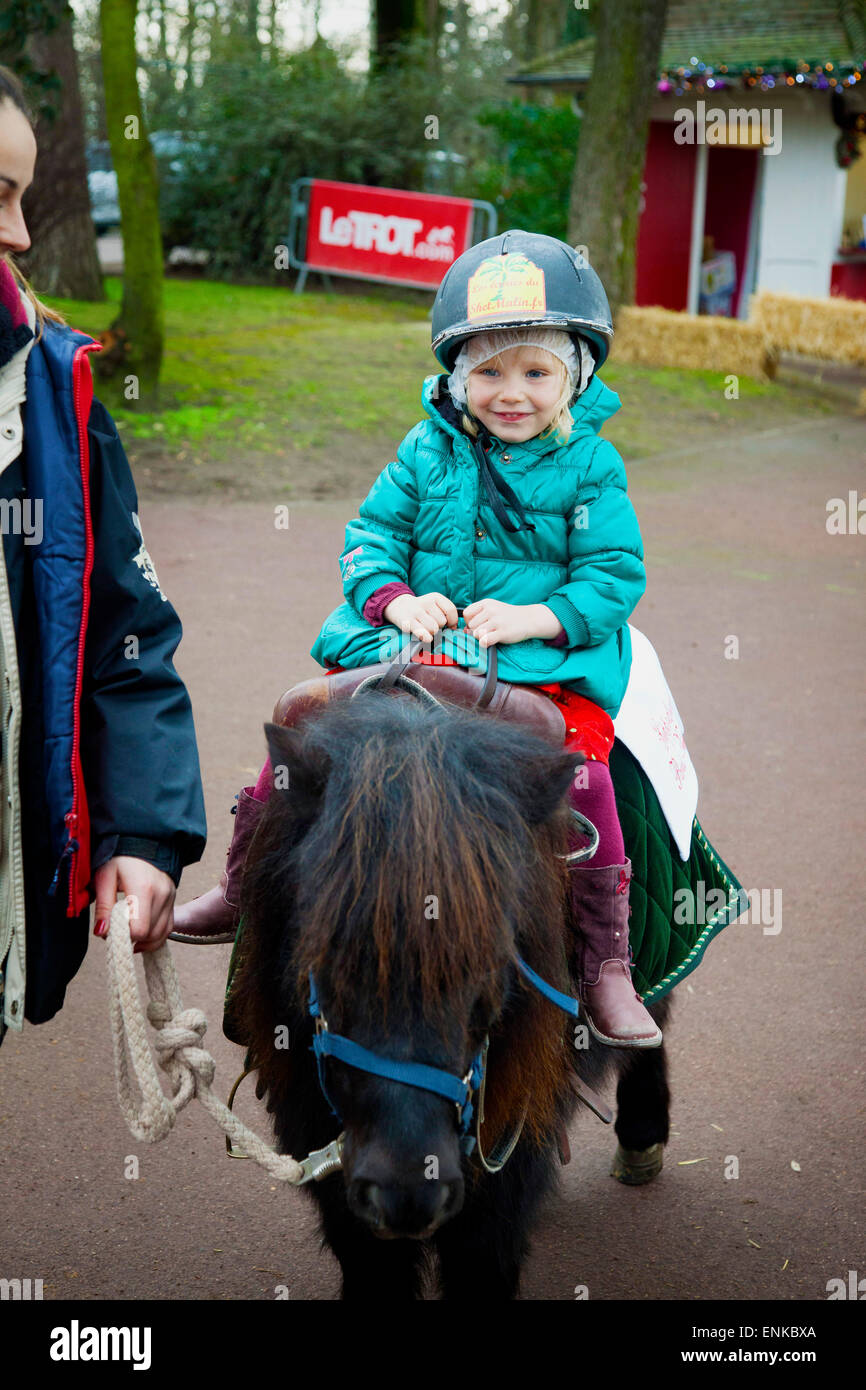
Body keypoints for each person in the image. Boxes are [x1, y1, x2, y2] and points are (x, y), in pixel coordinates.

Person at [175, 229, 662, 1048]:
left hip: (538, 664)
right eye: (488, 371)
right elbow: (369, 537)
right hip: (417, 654)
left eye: (536, 372)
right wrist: (396, 601)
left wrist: (537, 618)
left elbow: (614, 575)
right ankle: (242, 887)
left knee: (582, 766)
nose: (512, 393)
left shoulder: (591, 468)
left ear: (574, 376)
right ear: (457, 375)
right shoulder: (424, 450)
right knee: (298, 717)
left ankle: (603, 961)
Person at [0, 67, 206, 1047]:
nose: (19, 234)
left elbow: (127, 631)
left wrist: (139, 830)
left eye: (23, 196)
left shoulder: (56, 392)